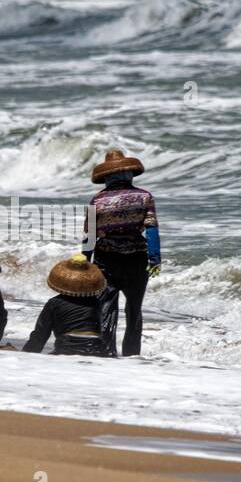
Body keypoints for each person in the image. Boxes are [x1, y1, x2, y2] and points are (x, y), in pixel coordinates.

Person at [84, 149, 161, 357]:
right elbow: (152, 229)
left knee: (107, 308)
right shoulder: (144, 197)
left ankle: (107, 352)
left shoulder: (96, 200)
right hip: (137, 259)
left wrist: (85, 261)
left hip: (105, 259)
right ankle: (132, 355)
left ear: (107, 177)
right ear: (129, 174)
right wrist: (155, 259)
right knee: (134, 310)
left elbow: (90, 235)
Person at [22, 255, 112, 356]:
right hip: (98, 349)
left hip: (67, 348)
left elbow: (41, 334)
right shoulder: (95, 302)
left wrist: (26, 355)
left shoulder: (54, 303)